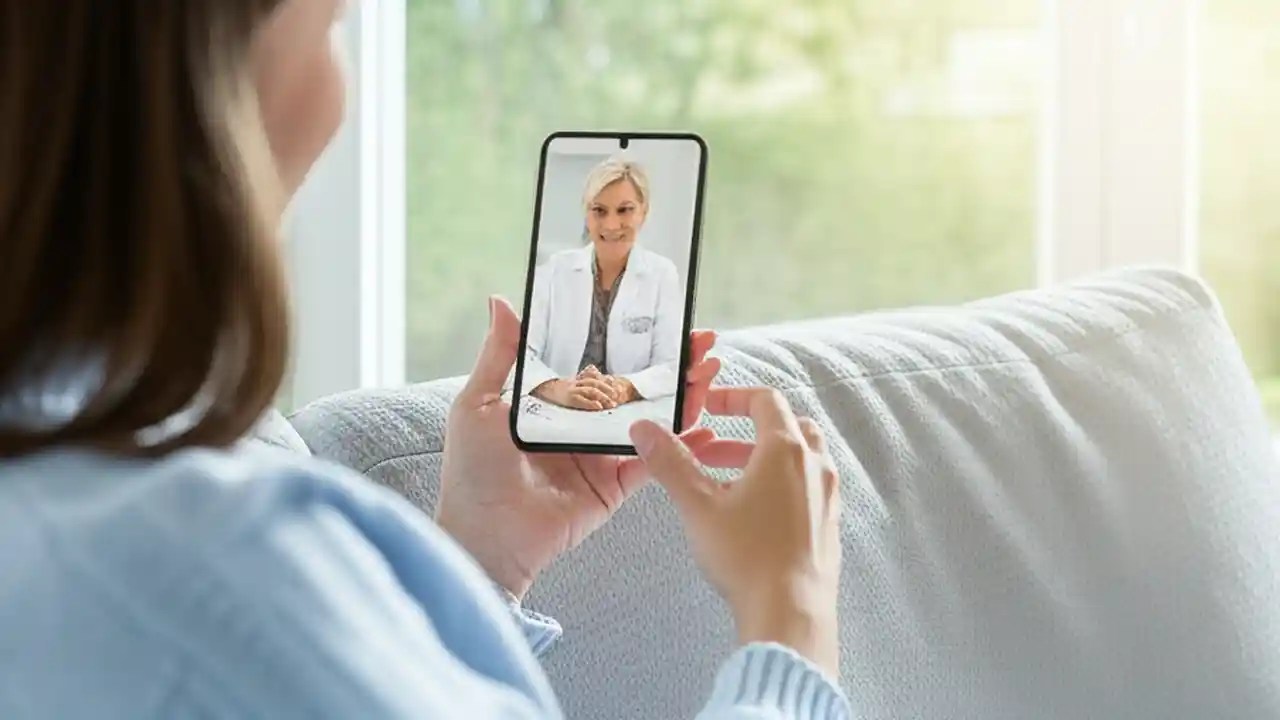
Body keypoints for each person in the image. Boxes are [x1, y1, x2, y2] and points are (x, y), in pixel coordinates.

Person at [0, 2, 851, 719]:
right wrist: (791, 615)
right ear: (206, 64)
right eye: (332, 23)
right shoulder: (215, 567)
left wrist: (483, 565)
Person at [523, 158, 684, 412]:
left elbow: (672, 366)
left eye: (624, 210)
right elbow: (522, 357)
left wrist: (624, 388)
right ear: (586, 214)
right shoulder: (554, 270)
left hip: (625, 416)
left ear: (643, 212)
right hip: (556, 414)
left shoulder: (662, 274)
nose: (611, 225)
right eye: (599, 210)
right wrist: (559, 389)